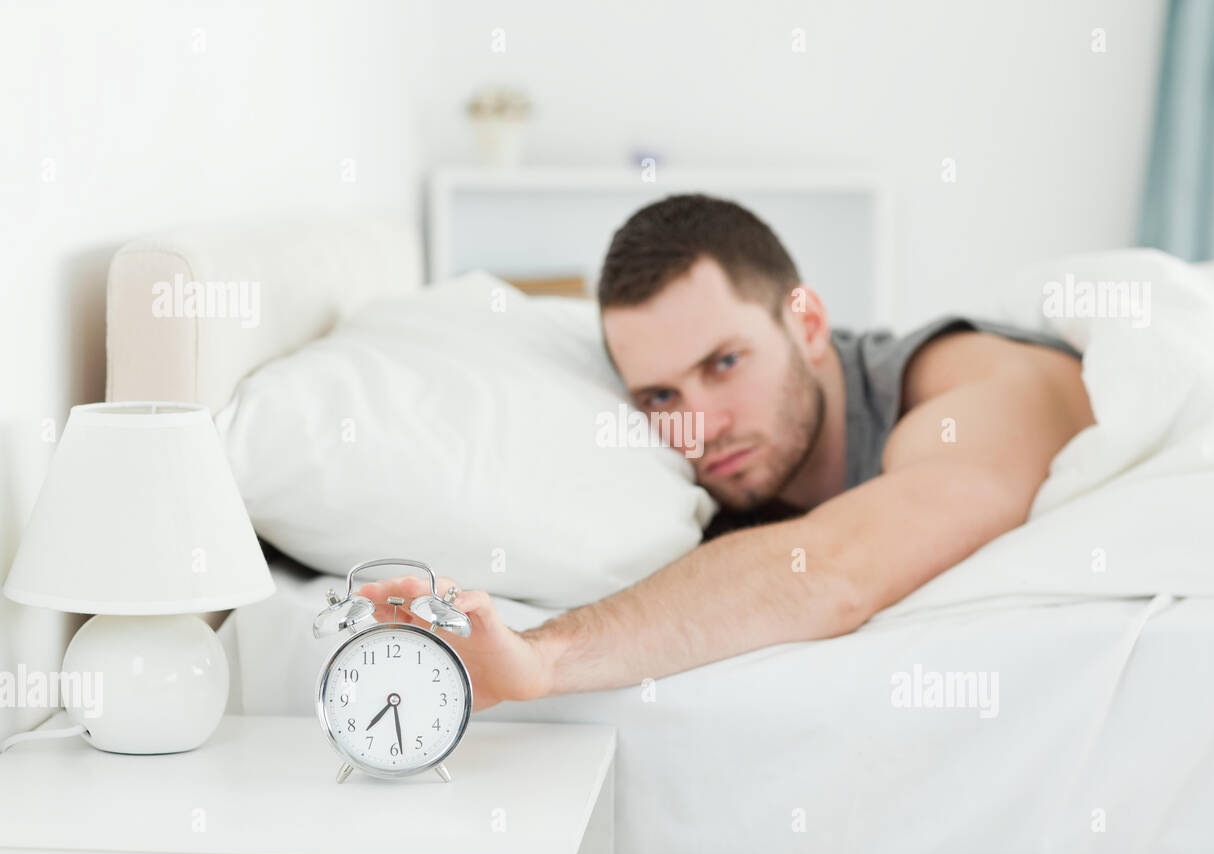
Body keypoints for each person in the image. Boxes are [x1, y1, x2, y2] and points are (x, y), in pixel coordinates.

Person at [359, 194, 1096, 709]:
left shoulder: (975, 389)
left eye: (724, 364)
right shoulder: (696, 482)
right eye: (660, 396)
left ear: (807, 325)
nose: (698, 427)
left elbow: (836, 569)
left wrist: (544, 655)